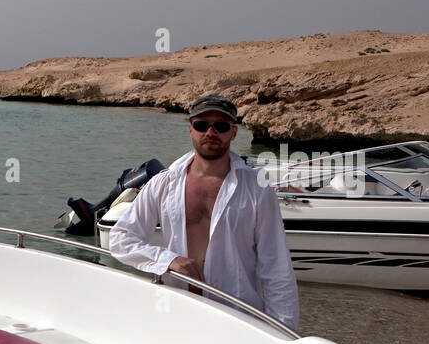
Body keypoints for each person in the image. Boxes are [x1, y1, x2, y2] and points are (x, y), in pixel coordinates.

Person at [107, 94, 300, 331]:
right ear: (190, 130)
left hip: (238, 316)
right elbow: (121, 238)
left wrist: (285, 333)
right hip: (178, 311)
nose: (210, 132)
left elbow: (276, 267)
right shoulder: (163, 183)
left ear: (233, 132)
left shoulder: (257, 188)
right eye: (201, 125)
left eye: (220, 126)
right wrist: (168, 260)